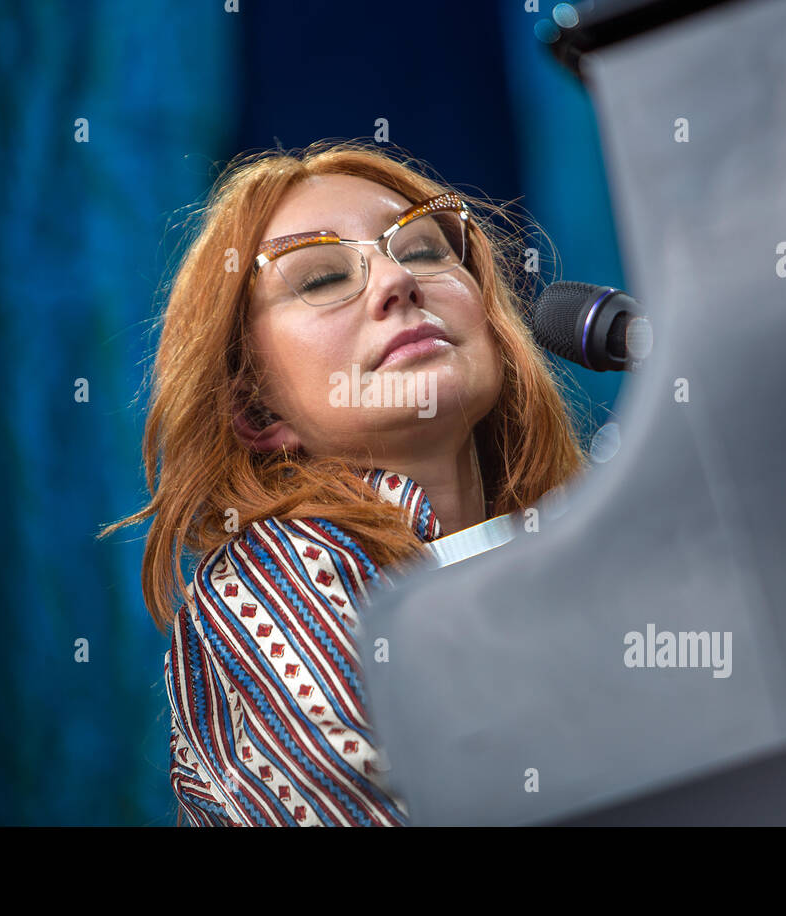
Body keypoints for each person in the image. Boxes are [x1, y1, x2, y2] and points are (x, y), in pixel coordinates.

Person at [101, 138, 589, 825]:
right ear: (257, 410)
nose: (397, 281)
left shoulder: (576, 538)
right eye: (322, 278)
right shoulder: (272, 580)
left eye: (423, 250)